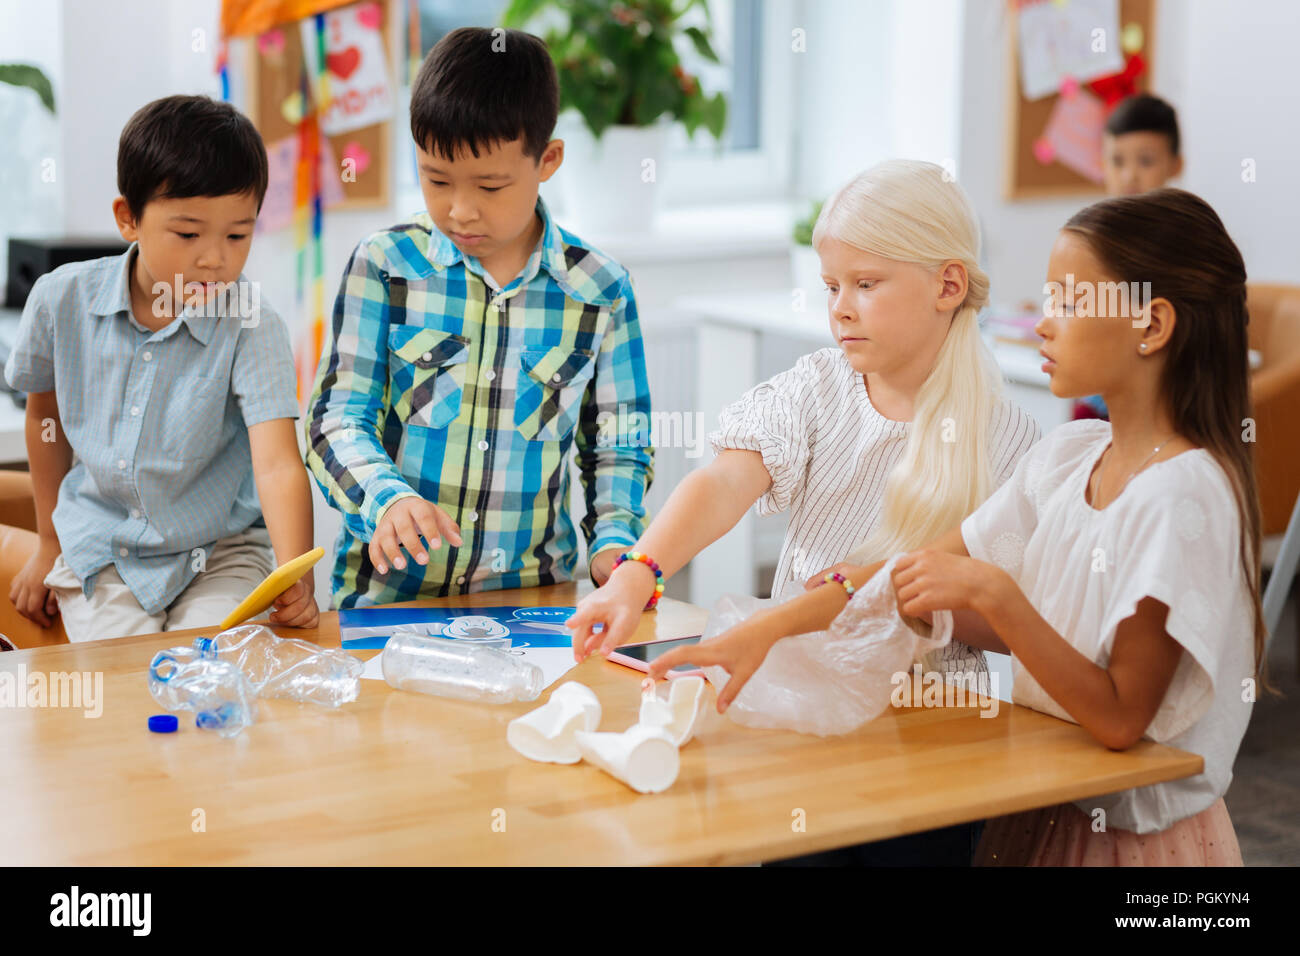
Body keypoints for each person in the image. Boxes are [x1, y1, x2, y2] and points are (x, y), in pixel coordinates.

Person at [652, 189, 1262, 866]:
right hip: (1043, 806)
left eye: (1067, 301)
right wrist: (763, 631)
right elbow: (902, 573)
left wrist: (993, 596)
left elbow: (1121, 718)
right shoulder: (1069, 455)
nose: (1041, 324)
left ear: (1150, 326)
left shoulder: (1182, 496)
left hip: (1134, 843)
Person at [305, 27, 653, 607]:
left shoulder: (601, 290)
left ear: (548, 160)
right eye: (436, 179)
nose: (459, 210)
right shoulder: (385, 266)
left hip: (534, 597)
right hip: (390, 599)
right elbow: (335, 419)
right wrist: (386, 498)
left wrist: (613, 542)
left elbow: (618, 442)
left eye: (490, 185)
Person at [4, 95, 316, 640]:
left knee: (211, 664)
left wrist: (295, 576)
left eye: (237, 235)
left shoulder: (251, 322)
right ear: (128, 218)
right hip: (102, 547)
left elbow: (277, 464)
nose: (214, 258)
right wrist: (49, 545)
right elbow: (44, 424)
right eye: (189, 234)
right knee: (125, 680)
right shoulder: (61, 300)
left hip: (221, 551)